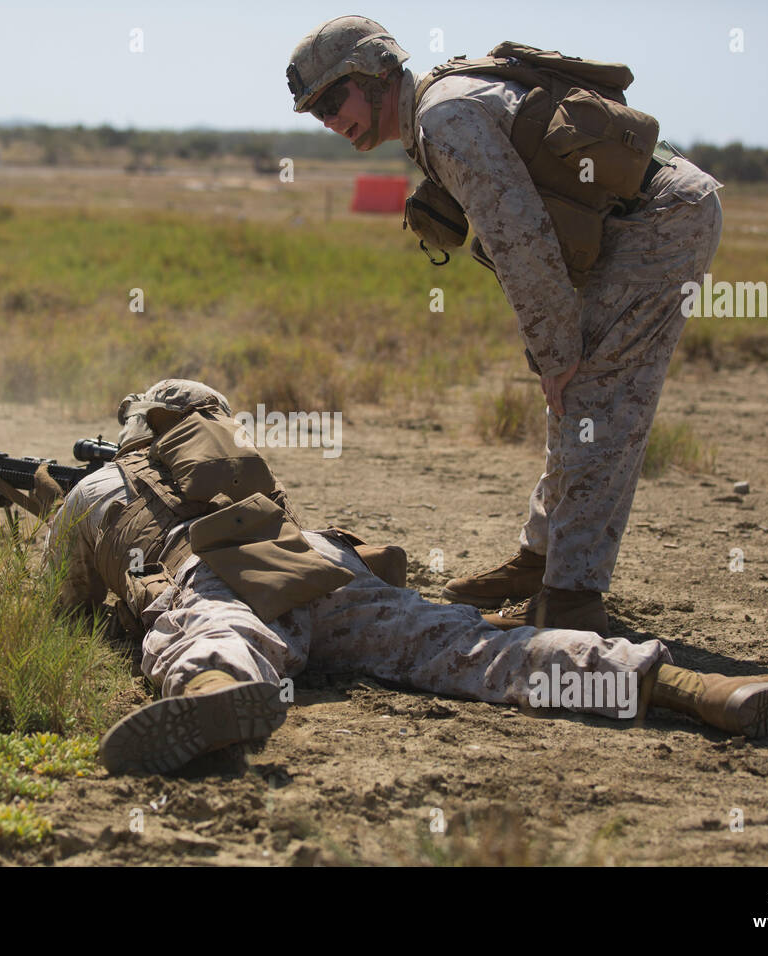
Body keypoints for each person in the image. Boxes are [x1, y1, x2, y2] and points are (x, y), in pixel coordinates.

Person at [40, 379, 768, 776]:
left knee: (217, 634)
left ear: (132, 433)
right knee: (468, 644)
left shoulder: (99, 488)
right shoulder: (230, 469)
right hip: (315, 565)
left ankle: (214, 698)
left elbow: (60, 608)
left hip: (208, 577)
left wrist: (75, 541)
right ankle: (695, 689)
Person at [287, 17, 725, 635]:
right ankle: (541, 560)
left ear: (380, 75)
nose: (329, 119)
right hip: (639, 221)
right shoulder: (435, 114)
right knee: (577, 397)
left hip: (662, 221)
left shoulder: (445, 119)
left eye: (334, 99)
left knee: (600, 402)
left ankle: (572, 598)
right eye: (316, 111)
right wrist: (556, 352)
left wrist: (554, 351)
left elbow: (521, 239)